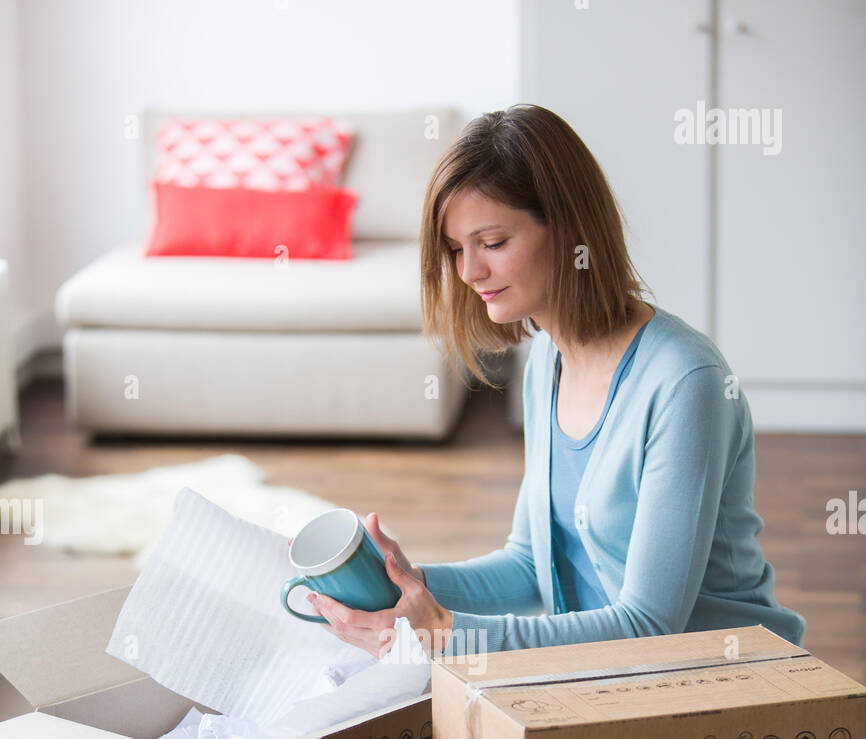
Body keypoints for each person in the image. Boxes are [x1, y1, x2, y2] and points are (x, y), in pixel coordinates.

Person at [305, 103, 806, 659]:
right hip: (614, 674)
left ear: (570, 231)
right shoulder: (546, 360)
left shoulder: (685, 383)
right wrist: (403, 584)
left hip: (724, 680)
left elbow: (648, 626)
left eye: (492, 243)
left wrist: (449, 636)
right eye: (455, 250)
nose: (469, 272)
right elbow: (530, 565)